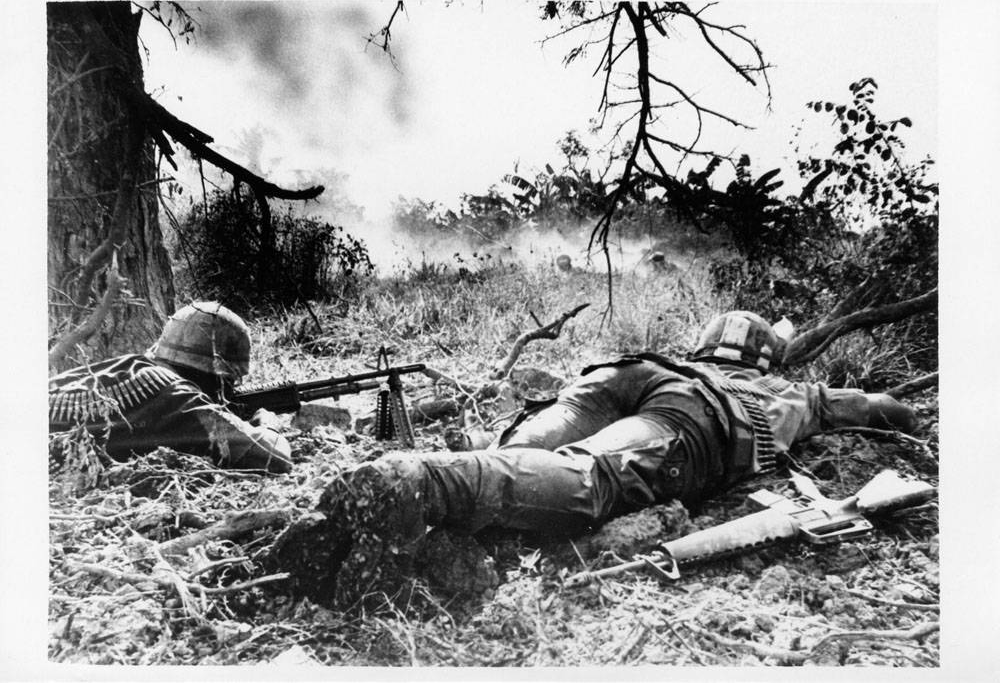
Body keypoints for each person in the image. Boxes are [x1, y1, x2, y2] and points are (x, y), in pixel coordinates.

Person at [274, 310, 918, 604]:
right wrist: (902, 412)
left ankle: (378, 524)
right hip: (695, 420)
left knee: (526, 446)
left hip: (622, 376)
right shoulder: (780, 389)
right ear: (762, 360)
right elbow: (880, 409)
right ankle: (427, 486)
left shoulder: (673, 359)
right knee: (595, 473)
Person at [49, 301, 293, 474]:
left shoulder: (133, 367)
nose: (229, 388)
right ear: (212, 373)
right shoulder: (177, 397)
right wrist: (267, 423)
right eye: (228, 380)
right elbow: (275, 457)